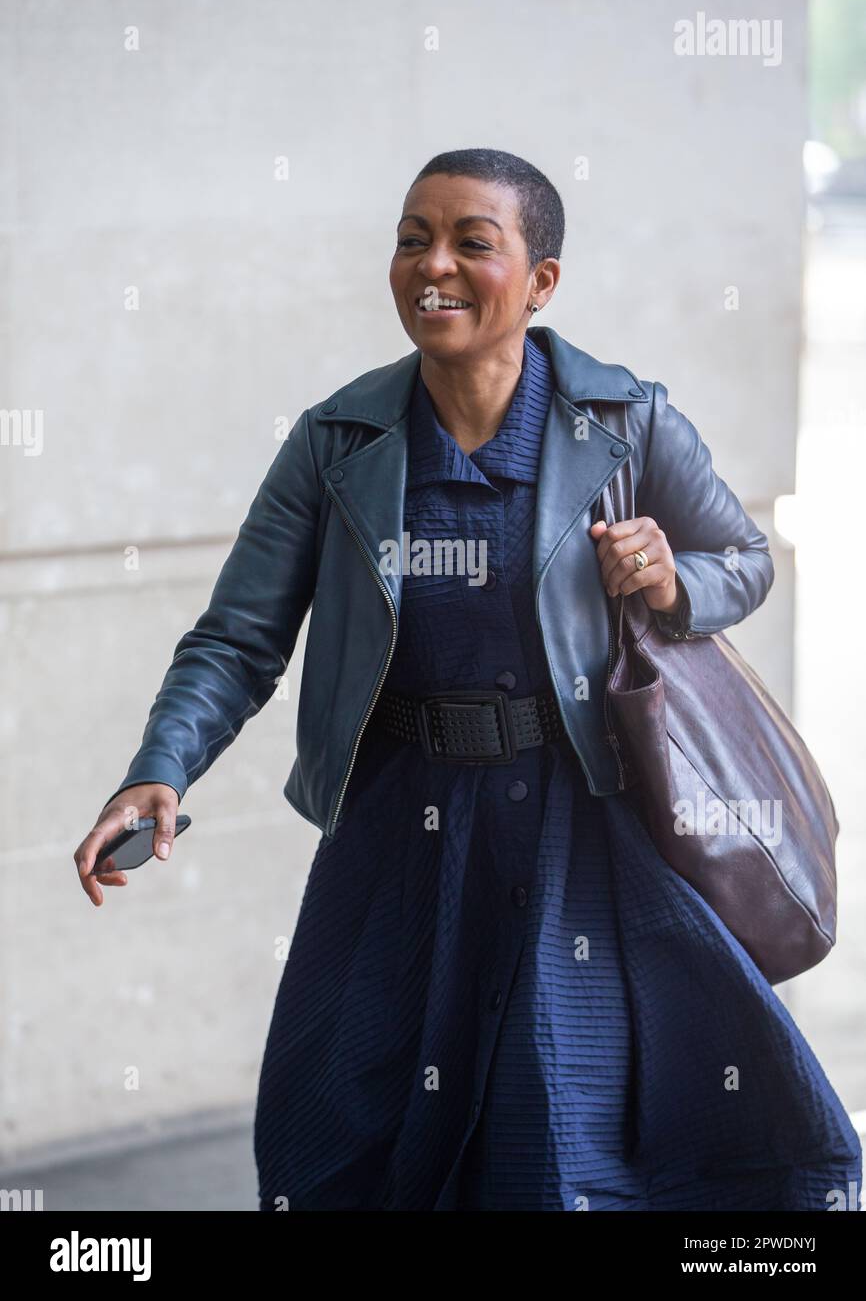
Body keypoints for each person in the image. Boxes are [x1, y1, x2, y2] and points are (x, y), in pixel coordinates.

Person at [75, 148, 862, 1212]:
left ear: (539, 281)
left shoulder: (625, 422)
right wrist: (158, 768)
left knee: (560, 1131)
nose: (430, 265)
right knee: (338, 1123)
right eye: (411, 239)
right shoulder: (336, 439)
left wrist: (672, 580)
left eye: (469, 243)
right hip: (399, 831)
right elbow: (235, 638)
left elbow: (746, 560)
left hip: (582, 828)